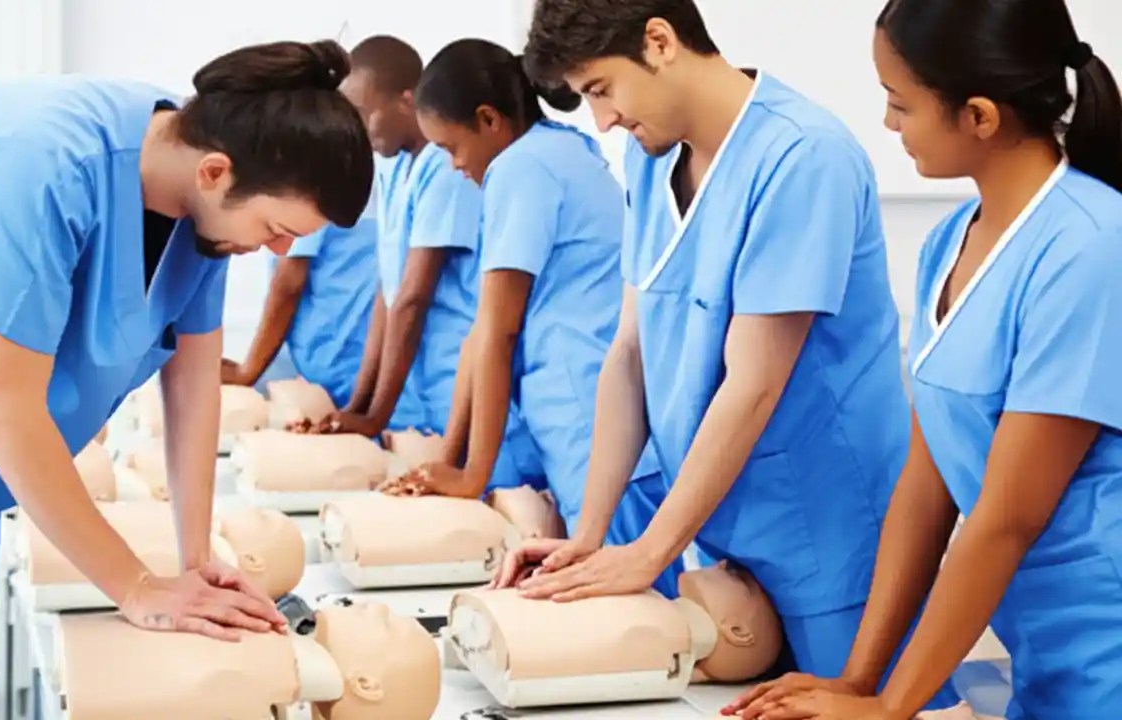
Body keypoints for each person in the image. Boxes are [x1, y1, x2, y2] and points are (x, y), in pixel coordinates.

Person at [0, 40, 373, 719]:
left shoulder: (199, 209)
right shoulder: (36, 163)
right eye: (275, 228)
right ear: (215, 172)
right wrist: (136, 588)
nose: (279, 250)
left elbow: (194, 384)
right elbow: (4, 410)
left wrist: (194, 560)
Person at [492, 1, 955, 706]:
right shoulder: (652, 160)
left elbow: (754, 383)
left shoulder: (802, 158)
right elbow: (630, 354)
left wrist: (650, 552)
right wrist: (591, 533)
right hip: (728, 527)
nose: (603, 121)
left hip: (827, 532)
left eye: (602, 90)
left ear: (659, 41)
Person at [729, 1, 1122, 718]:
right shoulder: (948, 243)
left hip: (1105, 646)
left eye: (900, 103)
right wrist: (859, 679)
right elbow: (926, 480)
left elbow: (1005, 518)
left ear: (979, 116)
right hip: (1041, 653)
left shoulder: (1092, 247)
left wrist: (892, 709)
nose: (888, 124)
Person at [407, 38, 682, 597]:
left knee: (631, 612)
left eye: (452, 147)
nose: (454, 165)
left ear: (489, 120)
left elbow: (497, 332)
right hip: (600, 419)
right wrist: (448, 461)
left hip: (592, 424)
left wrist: (471, 474)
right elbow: (482, 333)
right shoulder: (561, 149)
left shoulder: (521, 168)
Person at [317, 35, 491, 444]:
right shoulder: (392, 166)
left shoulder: (446, 166)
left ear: (406, 101)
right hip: (422, 380)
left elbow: (412, 299)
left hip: (457, 373)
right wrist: (356, 408)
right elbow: (390, 291)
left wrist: (375, 418)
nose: (359, 130)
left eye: (365, 114)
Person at [221, 190, 380, 408]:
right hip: (352, 361)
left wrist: (247, 372)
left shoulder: (309, 183)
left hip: (334, 363)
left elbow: (289, 283)